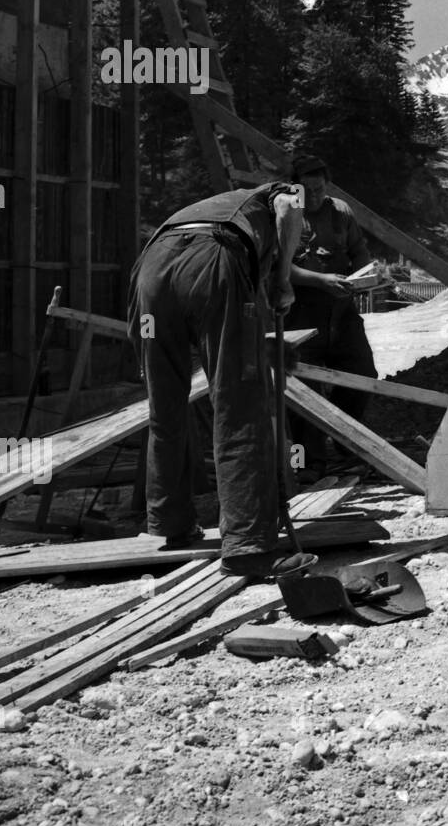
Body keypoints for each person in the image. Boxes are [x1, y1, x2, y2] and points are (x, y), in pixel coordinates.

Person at [126, 181, 317, 579]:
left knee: (165, 405)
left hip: (151, 270)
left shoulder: (221, 205)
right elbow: (289, 210)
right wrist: (283, 281)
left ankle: (171, 523)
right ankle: (248, 548)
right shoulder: (277, 196)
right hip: (211, 259)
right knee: (239, 403)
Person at [286, 154, 380, 478]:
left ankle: (345, 442)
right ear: (294, 186)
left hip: (341, 309)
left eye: (319, 189)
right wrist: (320, 280)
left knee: (362, 372)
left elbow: (359, 251)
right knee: (302, 387)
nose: (313, 196)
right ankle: (308, 464)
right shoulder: (285, 214)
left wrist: (364, 276)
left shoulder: (341, 211)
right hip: (300, 312)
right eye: (306, 189)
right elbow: (277, 267)